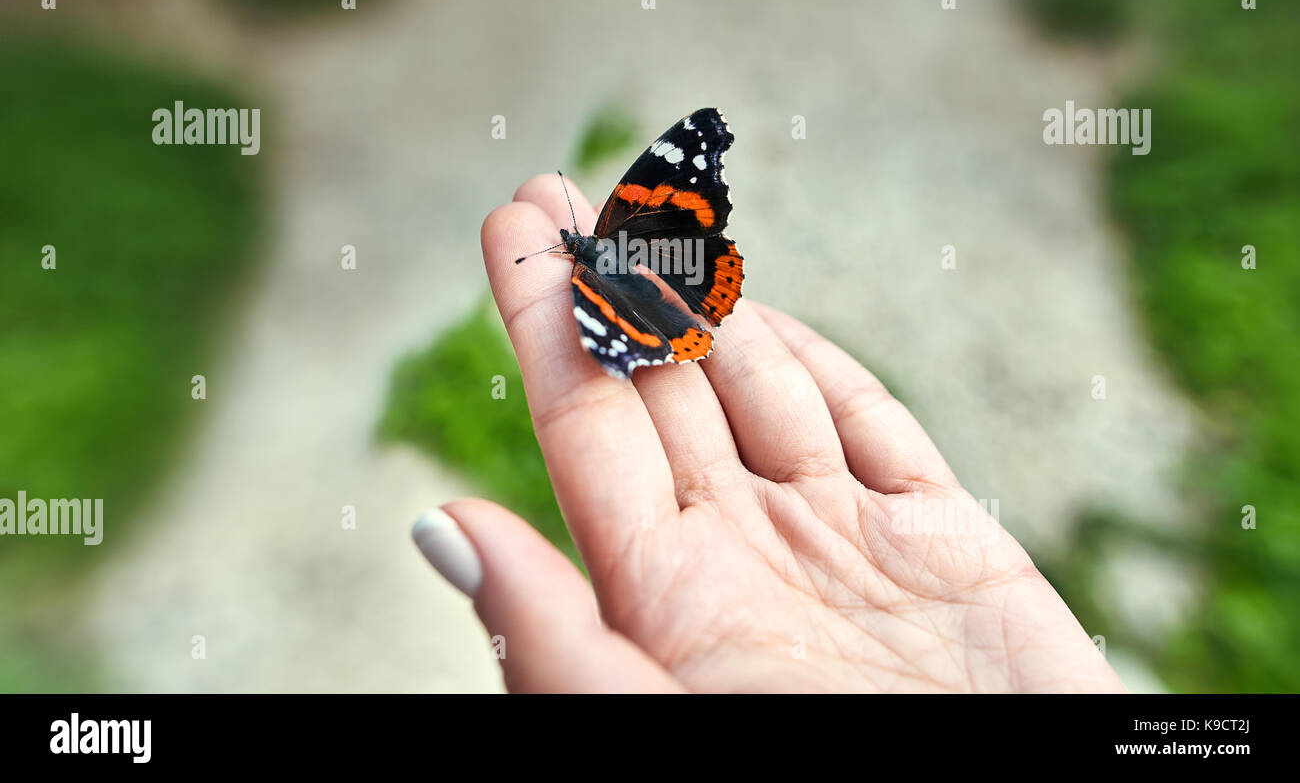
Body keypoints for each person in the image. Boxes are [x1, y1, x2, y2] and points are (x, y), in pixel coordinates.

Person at [411, 174, 1125, 693]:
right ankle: (663, 328)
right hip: (686, 279)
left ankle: (658, 332)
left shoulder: (580, 286)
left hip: (648, 309)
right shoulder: (603, 255)